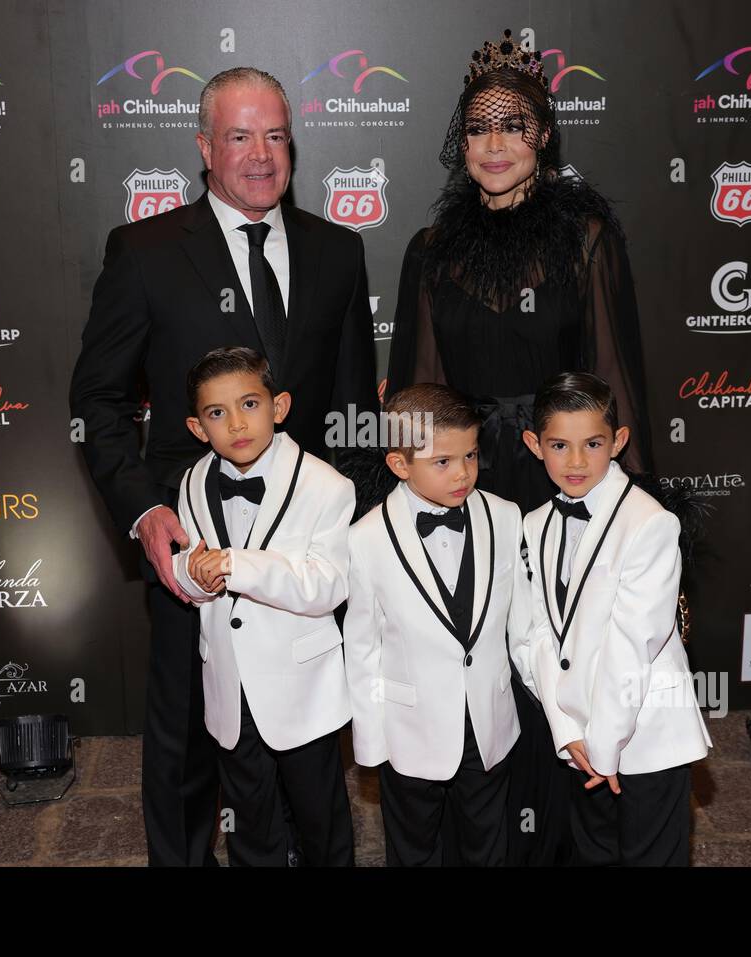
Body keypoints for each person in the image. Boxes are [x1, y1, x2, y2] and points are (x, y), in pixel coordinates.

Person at [69, 67, 377, 866]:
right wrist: (145, 511)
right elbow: (98, 401)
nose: (260, 156)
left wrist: (359, 536)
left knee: (306, 738)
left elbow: (350, 412)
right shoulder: (142, 253)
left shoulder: (339, 253)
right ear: (205, 147)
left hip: (303, 545)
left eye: (275, 135)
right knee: (185, 740)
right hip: (190, 541)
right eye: (239, 136)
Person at [385, 29, 655, 864]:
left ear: (543, 134)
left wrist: (636, 516)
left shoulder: (585, 239)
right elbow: (415, 399)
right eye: (477, 127)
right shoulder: (430, 253)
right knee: (476, 679)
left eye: (513, 125)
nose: (493, 145)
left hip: (558, 482)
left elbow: (615, 383)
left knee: (559, 676)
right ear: (458, 142)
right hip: (464, 490)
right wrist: (399, 524)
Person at [171, 347, 355, 866]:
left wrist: (238, 565)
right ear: (196, 426)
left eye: (249, 404)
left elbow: (328, 585)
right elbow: (191, 568)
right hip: (229, 684)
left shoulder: (327, 485)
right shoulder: (191, 482)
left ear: (279, 406)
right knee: (249, 818)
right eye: (216, 413)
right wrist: (196, 573)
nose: (236, 423)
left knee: (320, 814)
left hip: (302, 687)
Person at [522, 372, 712, 865]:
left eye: (593, 443)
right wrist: (567, 730)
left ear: (619, 442)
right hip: (581, 739)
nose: (577, 461)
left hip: (646, 732)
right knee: (593, 854)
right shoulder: (535, 524)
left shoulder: (650, 523)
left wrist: (605, 746)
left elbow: (634, 642)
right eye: (560, 445)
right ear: (534, 445)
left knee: (652, 857)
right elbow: (537, 634)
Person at [344, 384, 532, 865]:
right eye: (443, 462)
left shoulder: (506, 517)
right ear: (399, 464)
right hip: (409, 730)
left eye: (470, 455)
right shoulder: (366, 538)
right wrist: (370, 742)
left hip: (489, 722)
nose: (463, 472)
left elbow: (523, 628)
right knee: (412, 847)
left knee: (488, 842)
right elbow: (362, 647)